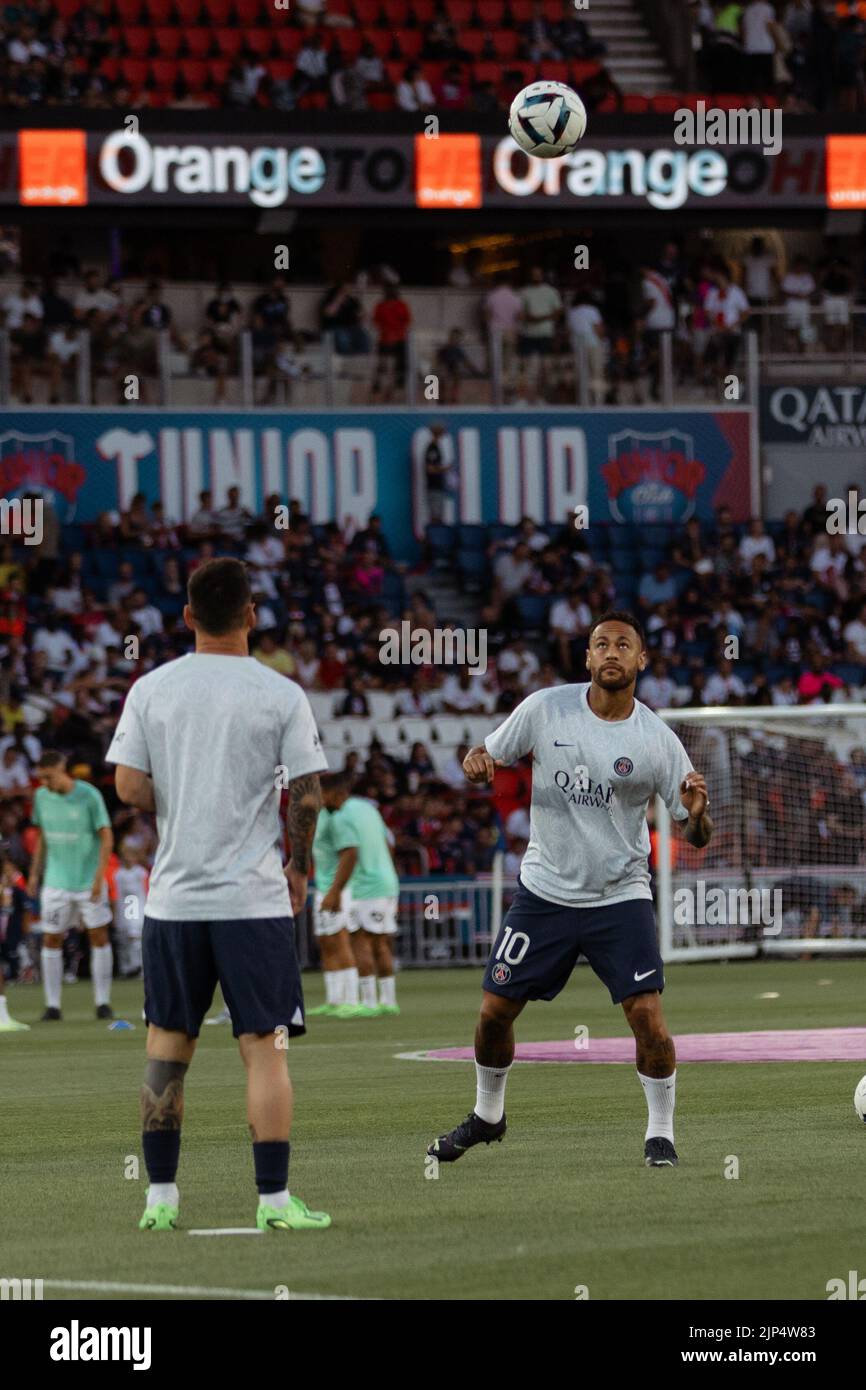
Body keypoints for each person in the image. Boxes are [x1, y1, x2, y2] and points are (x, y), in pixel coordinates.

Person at [427, 612, 712, 1169]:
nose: (611, 652)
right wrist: (476, 763)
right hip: (545, 893)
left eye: (623, 645)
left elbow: (695, 831)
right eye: (600, 644)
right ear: (586, 657)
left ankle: (661, 1132)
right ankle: (489, 1115)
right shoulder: (544, 708)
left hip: (620, 895)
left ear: (641, 660)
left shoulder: (656, 739)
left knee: (648, 1018)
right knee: (492, 1014)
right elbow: (481, 755)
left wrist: (698, 816)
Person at [106, 557, 331, 1233]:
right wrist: (299, 867)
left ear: (187, 617)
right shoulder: (280, 693)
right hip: (252, 900)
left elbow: (127, 787)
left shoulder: (152, 687)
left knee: (165, 1048)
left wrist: (178, 795)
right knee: (265, 1049)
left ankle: (160, 1199)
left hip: (174, 900)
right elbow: (310, 795)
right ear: (253, 615)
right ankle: (272, 1203)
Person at [28, 750, 114, 1022]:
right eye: (41, 778)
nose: (45, 783)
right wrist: (34, 874)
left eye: (48, 777)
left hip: (88, 882)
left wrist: (100, 878)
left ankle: (103, 1002)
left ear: (62, 769)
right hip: (55, 882)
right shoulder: (41, 797)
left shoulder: (89, 795)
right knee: (51, 937)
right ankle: (52, 1005)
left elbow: (106, 836)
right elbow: (42, 837)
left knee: (98, 936)